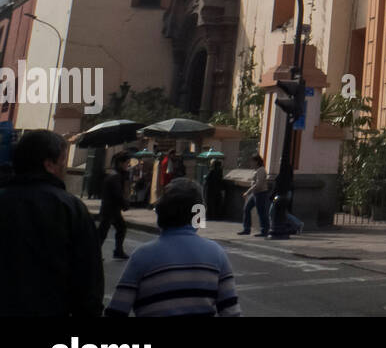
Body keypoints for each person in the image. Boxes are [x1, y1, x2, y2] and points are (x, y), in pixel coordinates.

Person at [0, 129, 104, 318]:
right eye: (63, 160)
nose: (64, 167)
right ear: (49, 164)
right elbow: (88, 279)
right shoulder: (71, 208)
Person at [105, 178, 240, 317]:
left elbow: (117, 310)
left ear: (160, 214)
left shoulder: (142, 256)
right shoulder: (216, 254)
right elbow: (231, 312)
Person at [98, 151, 131, 259]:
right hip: (110, 208)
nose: (128, 165)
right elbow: (117, 194)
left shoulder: (115, 174)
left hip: (112, 208)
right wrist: (124, 204)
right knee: (103, 231)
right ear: (121, 163)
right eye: (127, 162)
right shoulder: (115, 176)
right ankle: (95, 253)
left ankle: (118, 250)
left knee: (120, 228)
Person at [239, 154, 270, 236]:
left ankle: (264, 230)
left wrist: (248, 192)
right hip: (255, 193)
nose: (251, 163)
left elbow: (258, 184)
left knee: (261, 212)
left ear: (256, 161)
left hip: (261, 193)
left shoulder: (261, 170)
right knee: (247, 209)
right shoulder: (257, 170)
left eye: (252, 161)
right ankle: (247, 229)